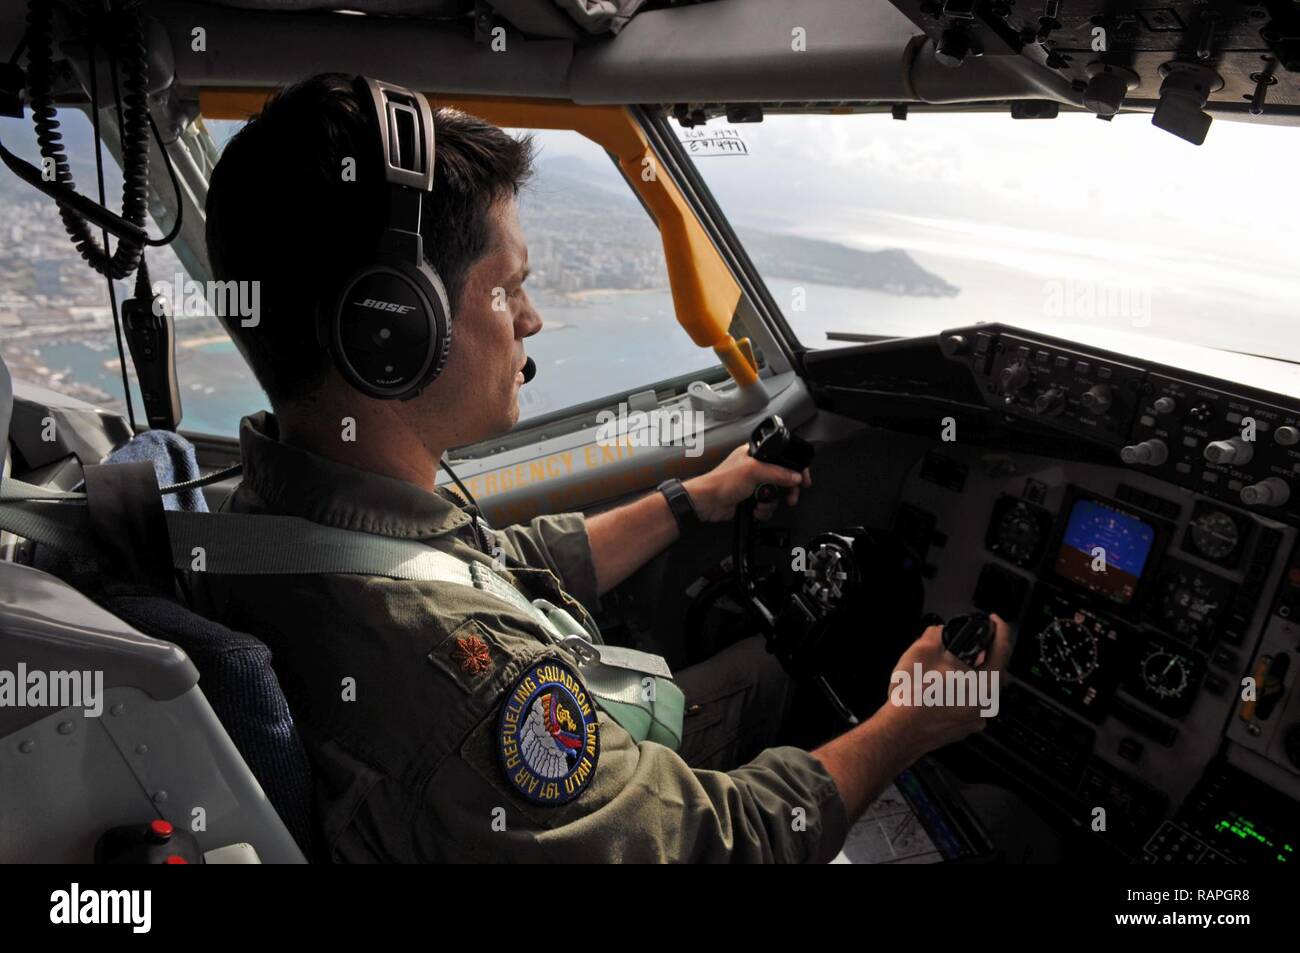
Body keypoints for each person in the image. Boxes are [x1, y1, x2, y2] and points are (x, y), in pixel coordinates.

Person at [196, 72, 1011, 862]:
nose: (532, 318)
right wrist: (913, 719)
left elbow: (491, 568)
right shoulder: (465, 695)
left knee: (774, 668)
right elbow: (716, 846)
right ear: (394, 329)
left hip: (576, 739)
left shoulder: (289, 505)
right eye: (508, 287)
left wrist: (693, 498)